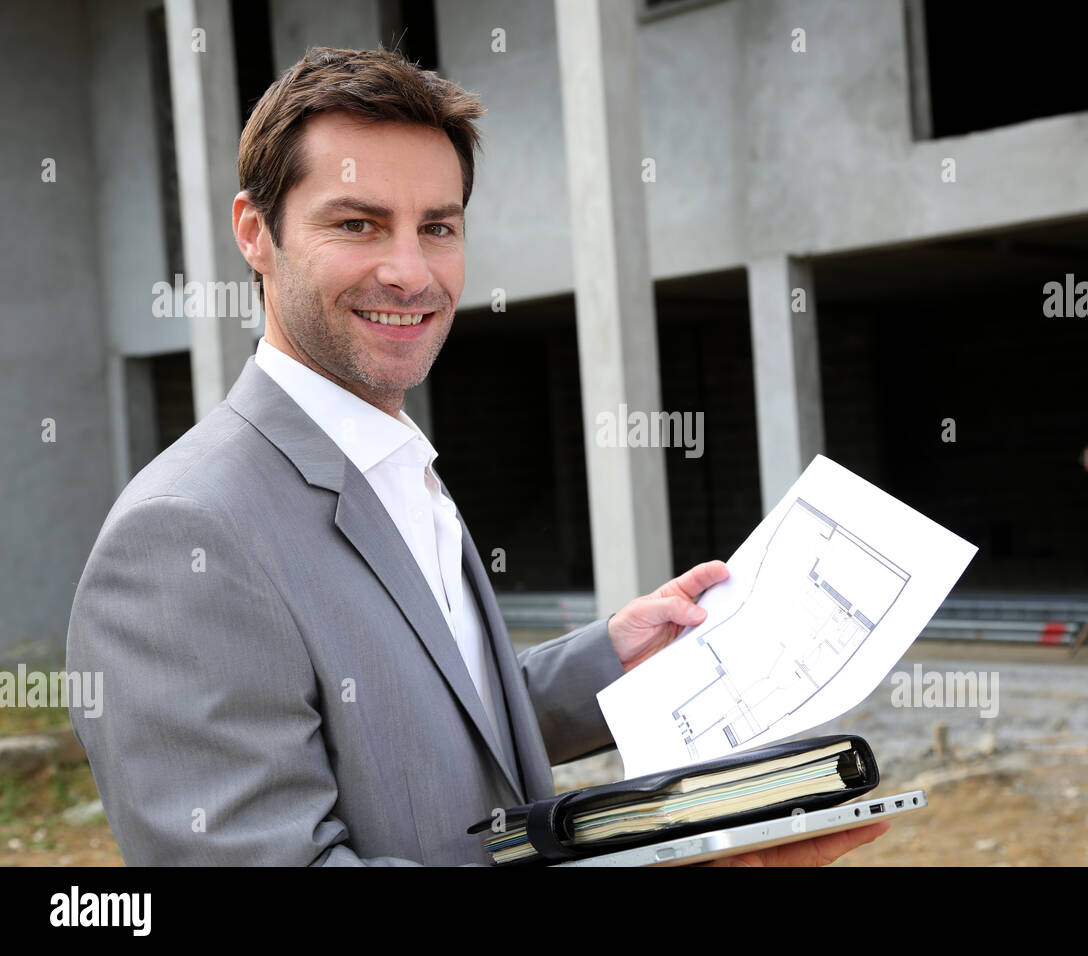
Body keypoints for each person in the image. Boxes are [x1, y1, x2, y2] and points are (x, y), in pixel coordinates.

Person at [66, 45, 889, 866]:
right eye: (357, 223)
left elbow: (424, 722)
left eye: (437, 227)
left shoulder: (392, 464)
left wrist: (611, 659)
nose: (410, 271)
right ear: (256, 232)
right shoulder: (182, 536)